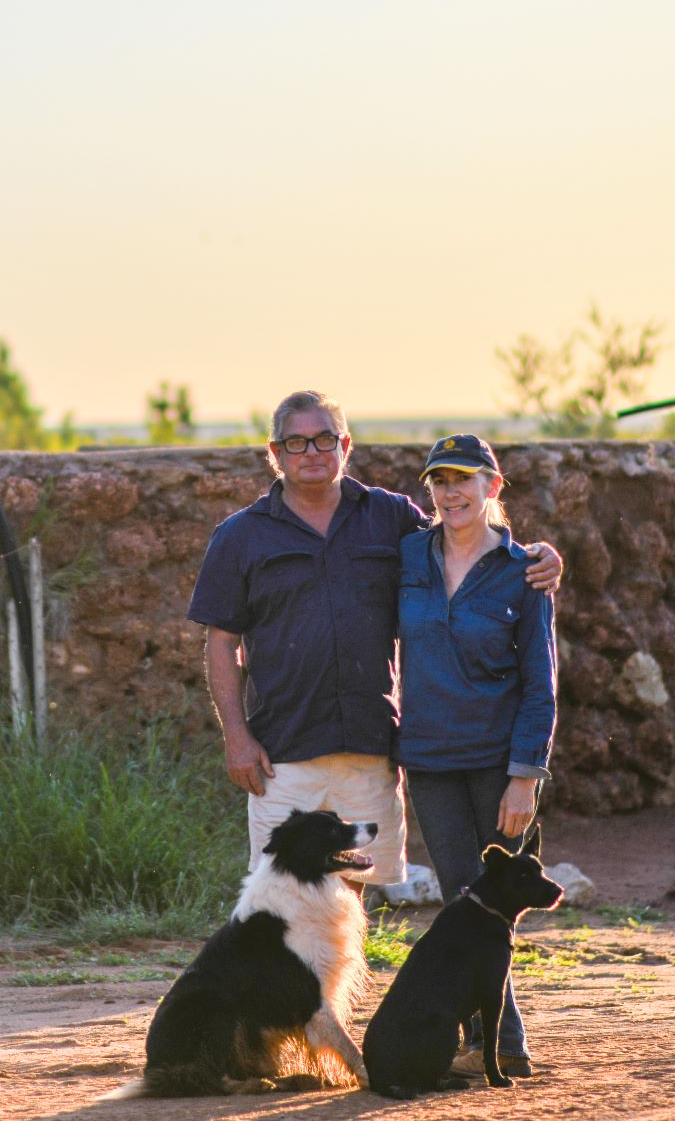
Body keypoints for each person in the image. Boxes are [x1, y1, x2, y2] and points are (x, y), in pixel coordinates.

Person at [187, 392, 563, 896]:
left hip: (370, 745)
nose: (312, 452)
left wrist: (538, 557)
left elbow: (466, 536)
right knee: (278, 897)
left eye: (324, 439)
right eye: (296, 443)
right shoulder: (240, 536)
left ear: (345, 445)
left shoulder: (389, 519)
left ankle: (350, 979)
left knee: (353, 898)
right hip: (282, 750)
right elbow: (221, 640)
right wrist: (236, 735)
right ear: (274, 453)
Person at [397, 430, 558, 1079]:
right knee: (465, 902)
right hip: (429, 759)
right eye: (439, 480)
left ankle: (501, 1043)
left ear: (492, 487)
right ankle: (492, 1044)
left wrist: (524, 777)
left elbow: (541, 683)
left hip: (498, 762)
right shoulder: (407, 553)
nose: (450, 491)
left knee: (491, 898)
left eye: (463, 479)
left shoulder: (524, 572)